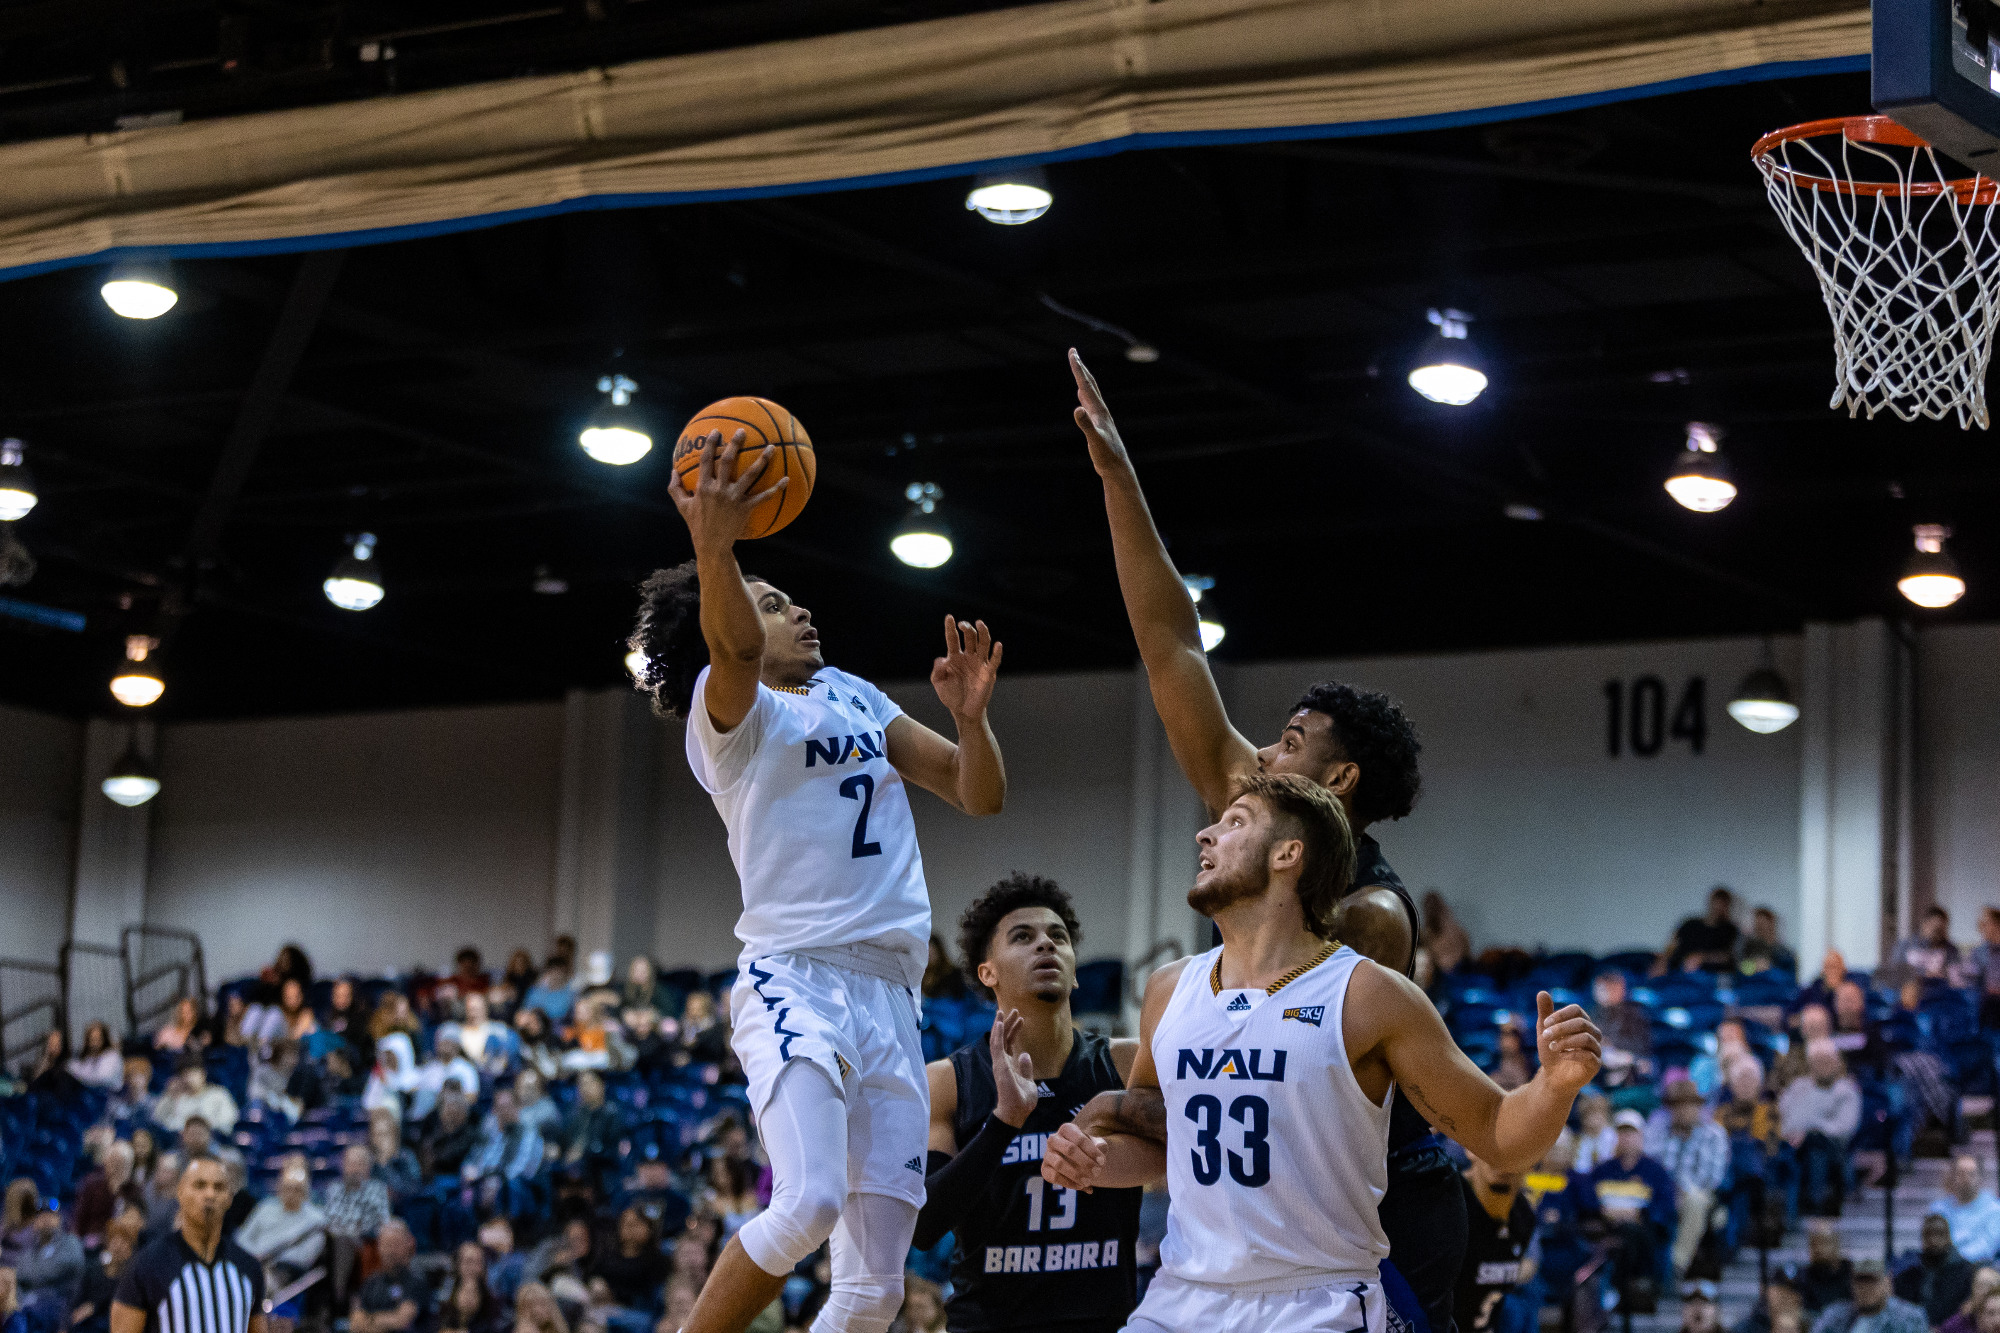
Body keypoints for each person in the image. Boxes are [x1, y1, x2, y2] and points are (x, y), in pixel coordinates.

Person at [1065, 351, 1453, 1333]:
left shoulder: (1369, 915)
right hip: (1265, 1208)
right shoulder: (1261, 816)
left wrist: (1114, 1077)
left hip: (1378, 1204)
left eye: (1289, 740)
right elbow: (1172, 647)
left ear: (1336, 782)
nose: (1258, 755)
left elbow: (1282, 1076)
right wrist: (1120, 480)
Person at [628, 423, 1009, 1333]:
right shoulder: (732, 721)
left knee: (876, 1286)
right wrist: (715, 547)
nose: (797, 609)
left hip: (889, 994)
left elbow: (975, 791)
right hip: (794, 974)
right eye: (770, 600)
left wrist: (974, 719)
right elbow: (734, 650)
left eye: (791, 597)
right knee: (804, 1204)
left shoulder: (854, 694)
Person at [1041, 773, 1601, 1333]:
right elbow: (1165, 1142)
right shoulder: (1168, 990)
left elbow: (1499, 1133)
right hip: (1183, 1295)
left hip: (1316, 1301)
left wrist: (1555, 1085)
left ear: (1289, 854)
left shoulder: (1368, 995)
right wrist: (1096, 1161)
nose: (1205, 835)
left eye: (1235, 822)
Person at [912, 875, 1141, 1333]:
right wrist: (1004, 1121)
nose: (1046, 945)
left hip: (1103, 1319)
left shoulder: (1126, 1061)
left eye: (1058, 937)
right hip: (988, 1321)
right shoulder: (948, 1082)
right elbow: (925, 1226)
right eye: (1023, 937)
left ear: (1076, 971)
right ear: (987, 972)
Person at [110, 1154, 267, 1333]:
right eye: (199, 1185)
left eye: (219, 1187)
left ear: (229, 1198)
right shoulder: (147, 1265)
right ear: (180, 1192)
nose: (210, 1194)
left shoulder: (248, 1267)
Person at [1576, 1110, 1677, 1305]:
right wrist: (1603, 1211)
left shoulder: (1655, 1171)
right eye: (1622, 1133)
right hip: (1606, 1227)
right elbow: (1586, 1197)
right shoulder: (1603, 1170)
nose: (1626, 1138)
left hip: (1642, 1233)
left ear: (1641, 1137)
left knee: (1628, 1233)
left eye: (1631, 1133)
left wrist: (1638, 1213)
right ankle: (1617, 1288)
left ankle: (1615, 1286)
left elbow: (1665, 1206)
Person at [1646, 1078, 1729, 1278]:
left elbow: (1713, 1179)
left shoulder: (1714, 1134)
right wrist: (1670, 1192)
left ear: (1699, 1107)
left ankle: (1677, 1265)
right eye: (1678, 1106)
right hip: (1663, 1194)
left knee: (1695, 1201)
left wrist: (1682, 1190)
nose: (1683, 1111)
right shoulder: (1658, 1133)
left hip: (1702, 1195)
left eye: (1689, 1105)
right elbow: (1650, 1168)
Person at [1454, 1153, 1536, 1333]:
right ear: (1470, 1150)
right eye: (1498, 1148)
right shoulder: (1446, 1201)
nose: (1505, 1161)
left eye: (1517, 1151)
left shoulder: (1523, 1214)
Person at [1779, 1042, 1860, 1217]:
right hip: (1794, 1142)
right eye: (1818, 1061)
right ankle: (1782, 1214)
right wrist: (1797, 1132)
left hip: (1833, 1148)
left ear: (1838, 1063)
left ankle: (1816, 1204)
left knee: (1817, 1147)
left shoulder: (1846, 1090)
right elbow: (1786, 1118)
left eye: (1827, 1061)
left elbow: (1844, 1127)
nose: (1822, 1066)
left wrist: (1809, 1130)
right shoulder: (1799, 1087)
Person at [233, 1158, 325, 1287]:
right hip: (254, 1262)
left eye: (297, 1189)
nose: (291, 1194)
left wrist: (271, 1262)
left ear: (306, 1192)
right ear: (279, 1188)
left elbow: (307, 1257)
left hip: (286, 1270)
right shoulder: (265, 1208)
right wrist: (255, 1257)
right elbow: (243, 1239)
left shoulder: (316, 1219)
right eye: (287, 1188)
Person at [323, 1146, 392, 1308]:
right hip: (334, 1242)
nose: (354, 1169)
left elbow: (383, 1222)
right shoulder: (334, 1189)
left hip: (365, 1241)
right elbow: (328, 1220)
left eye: (360, 1164)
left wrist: (350, 1229)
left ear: (368, 1167)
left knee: (344, 1240)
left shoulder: (378, 1189)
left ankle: (338, 1299)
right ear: (343, 1167)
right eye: (351, 1164)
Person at [1894, 1214, 1977, 1327]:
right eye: (1928, 1235)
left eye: (1939, 1234)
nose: (1933, 1240)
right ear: (1922, 1238)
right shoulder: (1909, 1274)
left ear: (1948, 1237)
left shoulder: (1965, 1273)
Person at [351, 1222, 430, 1333]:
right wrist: (384, 1321)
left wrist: (369, 1320)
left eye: (395, 1244)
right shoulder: (371, 1282)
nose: (390, 1251)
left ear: (408, 1244)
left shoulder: (417, 1281)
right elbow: (356, 1322)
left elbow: (401, 1321)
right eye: (386, 1245)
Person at [1809, 1260, 1926, 1333]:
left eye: (1872, 1281)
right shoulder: (1834, 1315)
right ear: (1851, 1284)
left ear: (1886, 1283)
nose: (1866, 1288)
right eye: (1860, 1281)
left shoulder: (1909, 1318)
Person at [73, 1214, 144, 1333]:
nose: (118, 1245)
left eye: (124, 1241)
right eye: (115, 1239)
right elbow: (76, 1296)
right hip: (83, 1322)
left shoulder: (132, 1276)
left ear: (131, 1249)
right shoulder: (95, 1267)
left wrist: (93, 1307)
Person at [590, 1209, 669, 1313]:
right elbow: (594, 1276)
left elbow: (651, 1294)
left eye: (636, 1224)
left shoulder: (658, 1260)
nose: (630, 1229)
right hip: (603, 1307)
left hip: (640, 1311)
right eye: (626, 1224)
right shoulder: (608, 1256)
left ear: (649, 1228)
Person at [16, 1200, 85, 1307]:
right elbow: (19, 1274)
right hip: (29, 1305)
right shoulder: (30, 1246)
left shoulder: (70, 1242)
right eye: (41, 1216)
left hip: (61, 1303)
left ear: (59, 1219)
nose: (45, 1219)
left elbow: (64, 1266)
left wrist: (34, 1275)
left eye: (50, 1216)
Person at [75, 1142, 144, 1247]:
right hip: (91, 1241)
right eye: (113, 1161)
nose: (116, 1167)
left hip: (121, 1244)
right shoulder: (92, 1184)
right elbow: (79, 1217)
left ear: (130, 1166)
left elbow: (138, 1221)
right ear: (106, 1162)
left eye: (122, 1163)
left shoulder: (134, 1190)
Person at [1934, 1158, 2000, 1266]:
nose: (1966, 1179)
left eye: (1971, 1174)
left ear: (1981, 1178)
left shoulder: (1995, 1208)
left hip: (1979, 1266)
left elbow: (1987, 1247)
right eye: (1961, 1174)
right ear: (1952, 1177)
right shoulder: (1938, 1208)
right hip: (1943, 1265)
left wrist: (1955, 1259)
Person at [1591, 973, 1653, 1084]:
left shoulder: (1634, 1014)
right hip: (1599, 1066)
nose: (1604, 993)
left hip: (1629, 1065)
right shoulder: (1592, 1013)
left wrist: (1611, 1043)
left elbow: (1642, 1046)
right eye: (1600, 988)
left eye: (1610, 988)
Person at [151, 1060, 238, 1136]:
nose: (190, 1078)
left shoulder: (218, 1094)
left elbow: (228, 1122)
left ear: (203, 1074)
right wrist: (169, 1095)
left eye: (193, 1073)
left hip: (213, 1142)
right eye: (186, 1074)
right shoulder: (177, 1097)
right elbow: (157, 1120)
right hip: (181, 1145)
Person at [440, 1242, 504, 1333]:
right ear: (457, 1265)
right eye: (468, 1261)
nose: (473, 1268)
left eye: (478, 1262)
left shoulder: (493, 1303)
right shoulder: (444, 1299)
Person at [1889, 907, 1960, 985]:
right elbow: (1895, 970)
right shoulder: (1906, 945)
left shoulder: (1950, 950)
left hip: (1938, 990)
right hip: (1908, 989)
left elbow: (1955, 976)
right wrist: (1923, 973)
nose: (1937, 934)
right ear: (1924, 924)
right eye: (1934, 928)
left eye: (1941, 930)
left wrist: (1943, 974)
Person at [1800, 1223, 1854, 1315]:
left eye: (1823, 1243)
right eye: (1813, 1244)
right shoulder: (1804, 1276)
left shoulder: (1851, 1273)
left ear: (1836, 1245)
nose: (1817, 1249)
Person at [1421, 894, 1473, 980]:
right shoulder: (1427, 933)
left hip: (1457, 971)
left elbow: (1465, 950)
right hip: (1443, 973)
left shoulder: (1454, 928)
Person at [1740, 909, 1797, 976]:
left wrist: (1769, 968)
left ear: (1771, 924)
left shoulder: (1784, 952)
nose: (1759, 928)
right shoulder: (1749, 947)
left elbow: (1789, 976)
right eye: (1757, 924)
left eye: (1762, 924)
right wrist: (1754, 966)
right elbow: (1741, 969)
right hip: (1753, 983)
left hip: (1775, 984)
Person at [1940, 1269, 2000, 1333]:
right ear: (1973, 1289)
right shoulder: (1960, 1320)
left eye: (1991, 1286)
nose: (1985, 1291)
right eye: (1981, 1285)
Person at [69, 1025, 124, 1092]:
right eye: (92, 1038)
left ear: (104, 1039)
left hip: (109, 1094)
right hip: (91, 1093)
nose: (94, 1042)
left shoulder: (112, 1056)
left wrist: (75, 1072)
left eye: (97, 1038)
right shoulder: (87, 1057)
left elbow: (101, 1078)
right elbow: (73, 1067)